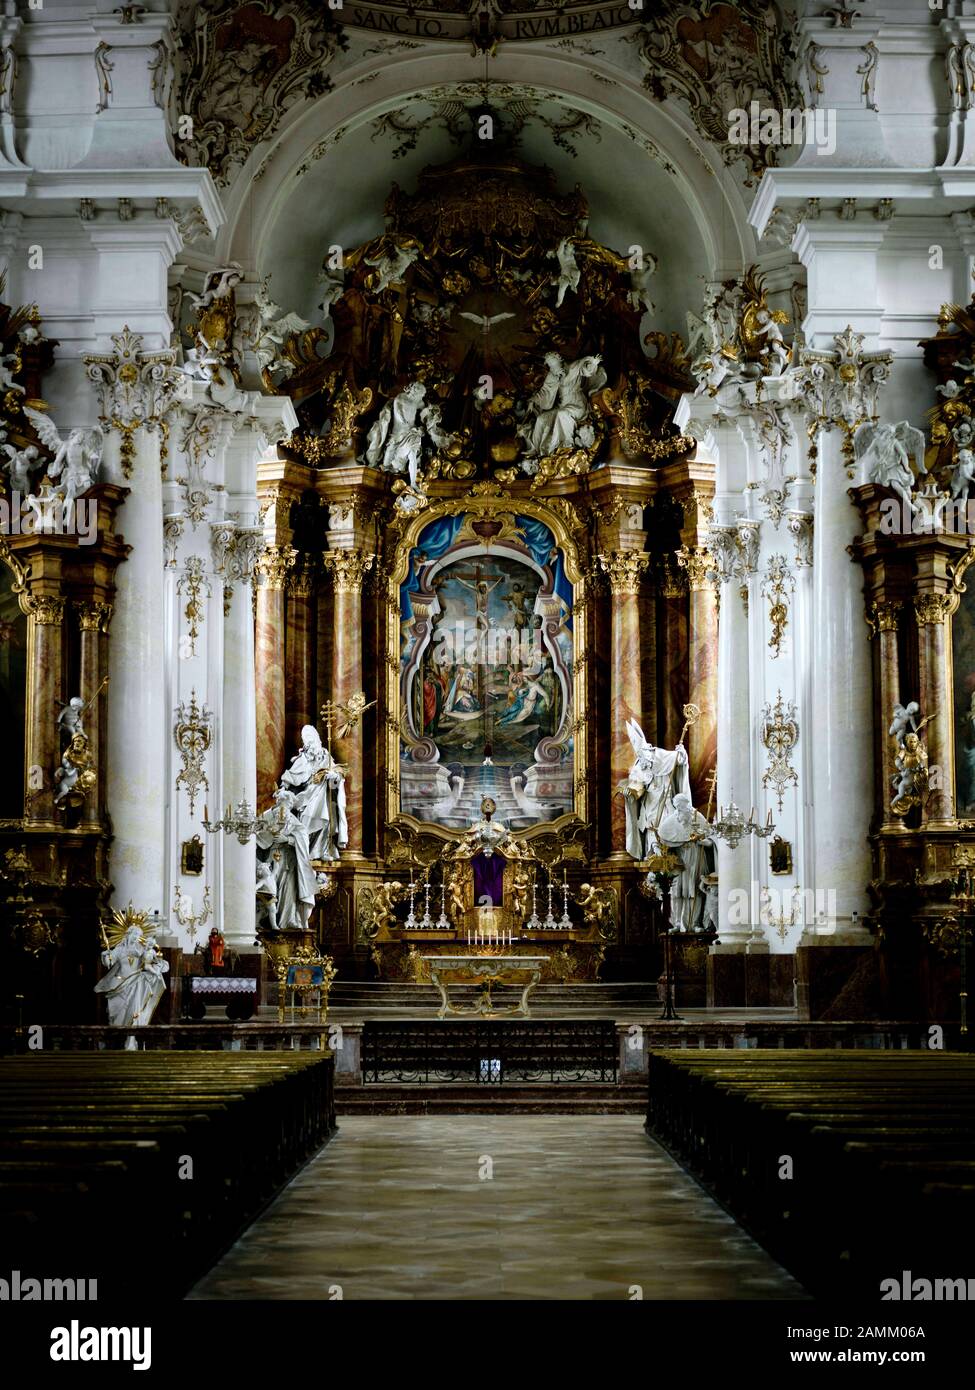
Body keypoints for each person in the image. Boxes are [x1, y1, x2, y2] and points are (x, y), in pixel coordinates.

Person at [279, 724, 348, 862]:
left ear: (317, 740)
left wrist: (332, 775)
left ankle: (322, 850)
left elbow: (339, 773)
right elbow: (292, 775)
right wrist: (283, 787)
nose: (310, 743)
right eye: (307, 740)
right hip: (306, 796)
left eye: (312, 739)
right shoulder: (302, 758)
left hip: (322, 794)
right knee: (305, 821)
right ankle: (306, 850)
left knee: (325, 820)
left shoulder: (325, 755)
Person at [255, 788, 318, 930]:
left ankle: (288, 920)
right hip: (272, 855)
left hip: (289, 860)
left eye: (285, 804)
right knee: (271, 885)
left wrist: (287, 839)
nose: (281, 807)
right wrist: (267, 835)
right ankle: (268, 920)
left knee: (288, 888)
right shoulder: (269, 816)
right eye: (279, 803)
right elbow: (257, 830)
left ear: (290, 805)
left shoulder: (294, 821)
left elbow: (303, 839)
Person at [94, 926, 169, 1029]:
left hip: (135, 984)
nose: (136, 937)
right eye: (134, 934)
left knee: (133, 1011)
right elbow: (109, 963)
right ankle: (117, 1035)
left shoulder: (141, 949)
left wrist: (157, 964)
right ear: (128, 935)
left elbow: (150, 961)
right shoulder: (119, 949)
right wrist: (105, 955)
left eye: (138, 935)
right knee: (117, 1015)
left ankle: (131, 1039)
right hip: (119, 984)